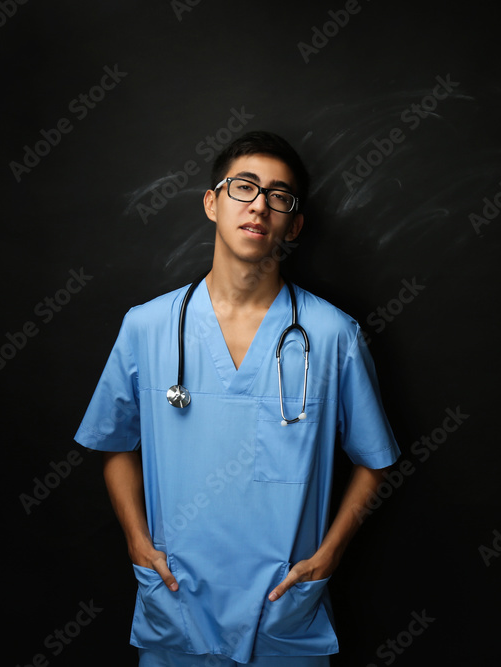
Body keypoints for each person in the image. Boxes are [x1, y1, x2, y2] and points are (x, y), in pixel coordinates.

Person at [75, 131, 400, 666]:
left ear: (294, 224)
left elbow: (374, 461)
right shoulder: (147, 327)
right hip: (177, 606)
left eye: (279, 196)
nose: (259, 205)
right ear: (212, 202)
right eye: (243, 187)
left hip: (281, 613)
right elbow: (113, 444)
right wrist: (137, 541)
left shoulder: (333, 334)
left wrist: (329, 555)